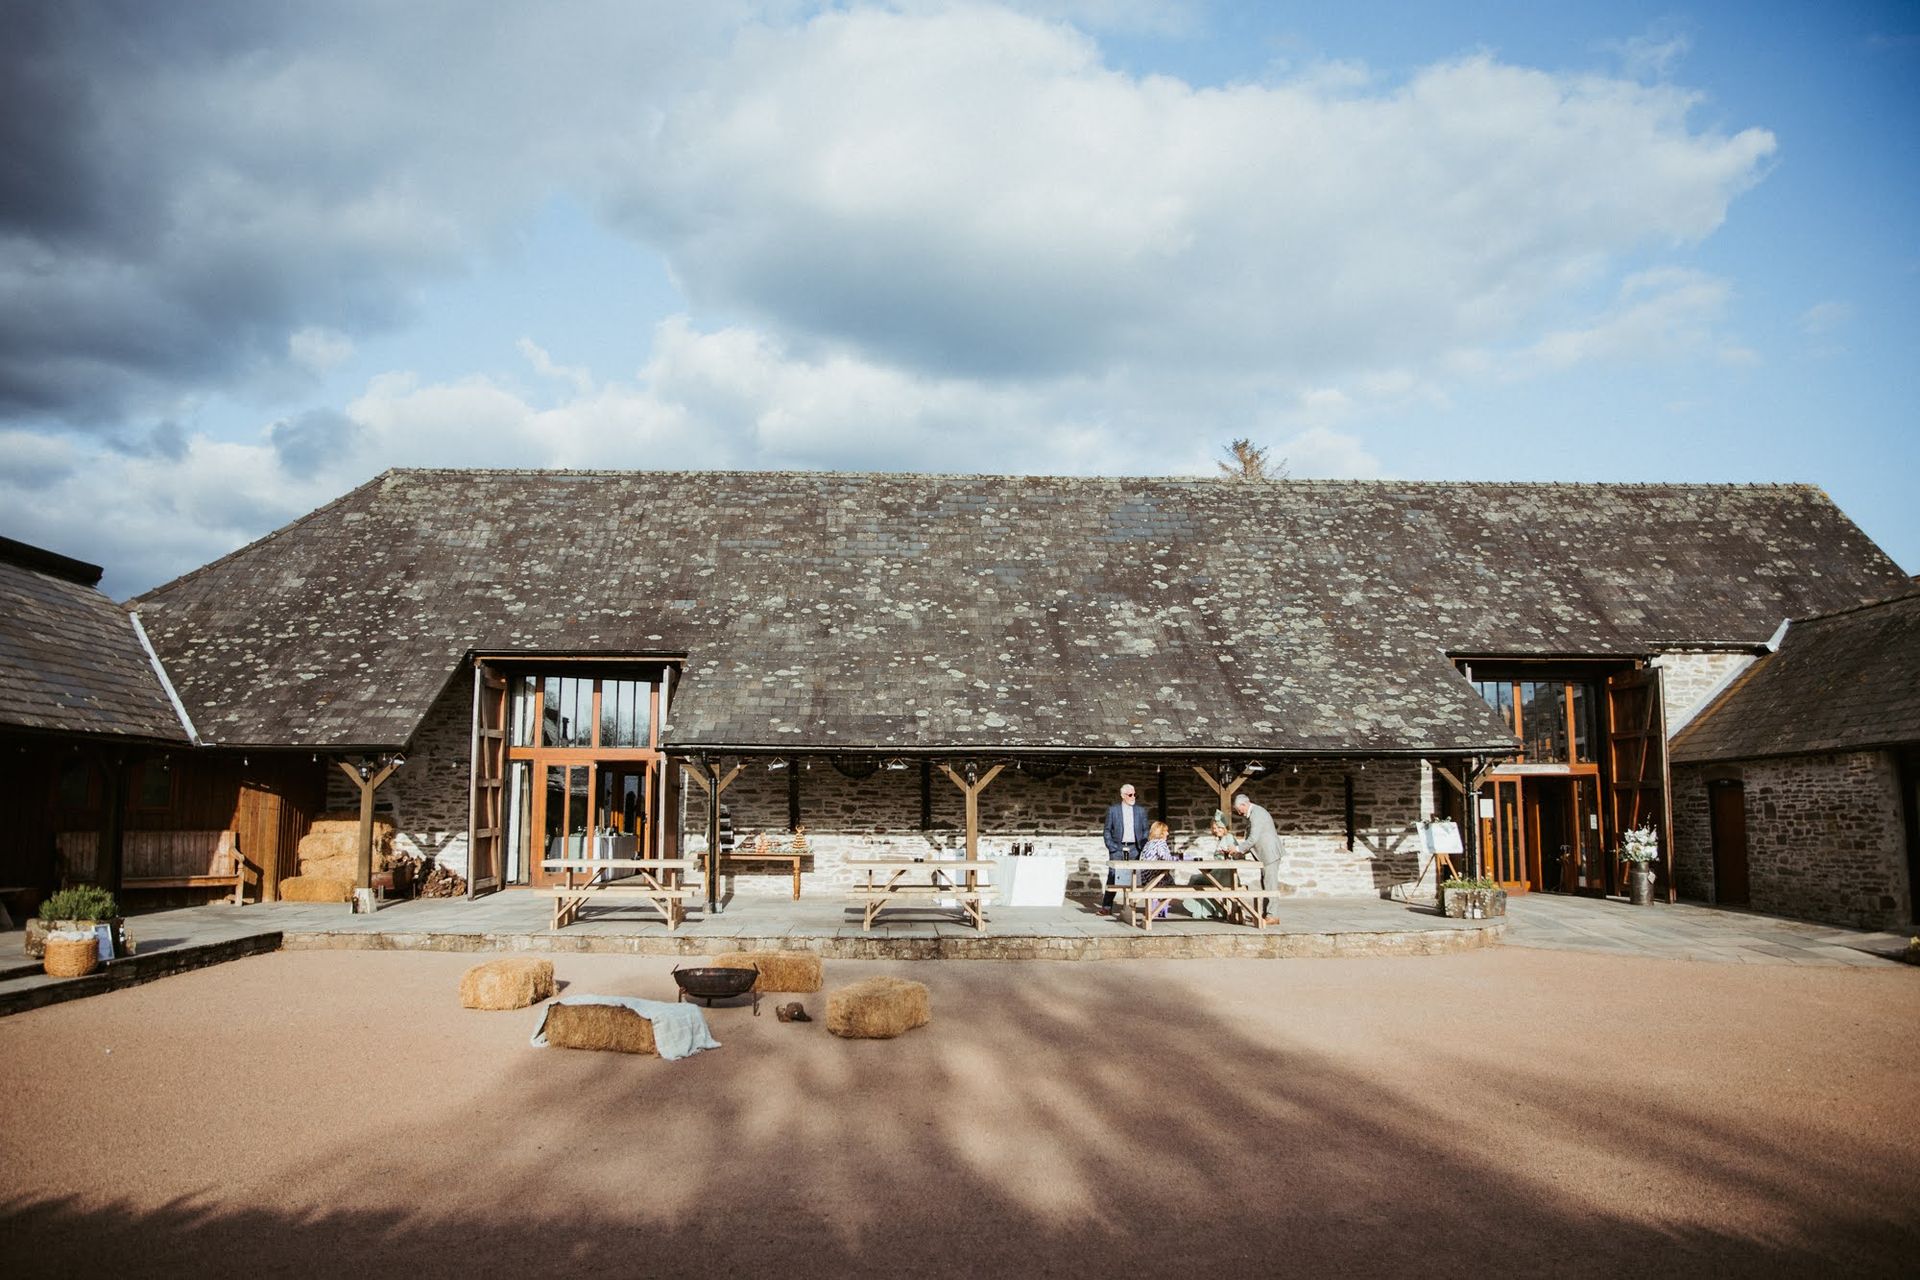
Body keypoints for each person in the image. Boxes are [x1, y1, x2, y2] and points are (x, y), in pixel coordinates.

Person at [1233, 792, 1286, 925]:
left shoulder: (1257, 814)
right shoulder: (1254, 814)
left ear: (1244, 804)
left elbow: (1253, 838)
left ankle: (1273, 916)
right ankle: (1266, 914)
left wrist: (1238, 849)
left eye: (1240, 810)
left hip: (1270, 854)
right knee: (1266, 883)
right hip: (1265, 855)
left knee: (1270, 884)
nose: (1239, 813)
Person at [1099, 783, 1151, 915]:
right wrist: (1112, 847)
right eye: (1130, 795)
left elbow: (1146, 830)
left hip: (1135, 848)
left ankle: (1131, 907)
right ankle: (1107, 906)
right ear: (1123, 796)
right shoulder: (1113, 810)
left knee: (1135, 877)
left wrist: (1143, 845)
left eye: (1135, 794)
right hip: (1118, 847)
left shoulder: (1140, 811)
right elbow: (1107, 830)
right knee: (1113, 876)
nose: (1133, 797)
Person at [1184, 810, 1244, 921]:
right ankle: (1213, 910)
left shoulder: (1229, 837)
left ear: (1223, 828)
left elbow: (1236, 853)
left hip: (1225, 875)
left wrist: (1232, 853)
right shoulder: (1222, 839)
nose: (1215, 830)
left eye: (1218, 828)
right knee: (1200, 880)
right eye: (1214, 828)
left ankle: (1208, 910)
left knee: (1196, 880)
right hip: (1219, 872)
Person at [1137, 820, 1178, 919]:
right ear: (1161, 832)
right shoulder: (1160, 843)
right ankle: (1160, 907)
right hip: (1155, 879)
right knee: (1174, 886)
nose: (1168, 833)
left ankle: (1157, 904)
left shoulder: (1148, 843)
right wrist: (1177, 859)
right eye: (1166, 831)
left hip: (1145, 879)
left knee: (1168, 879)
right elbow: (1166, 858)